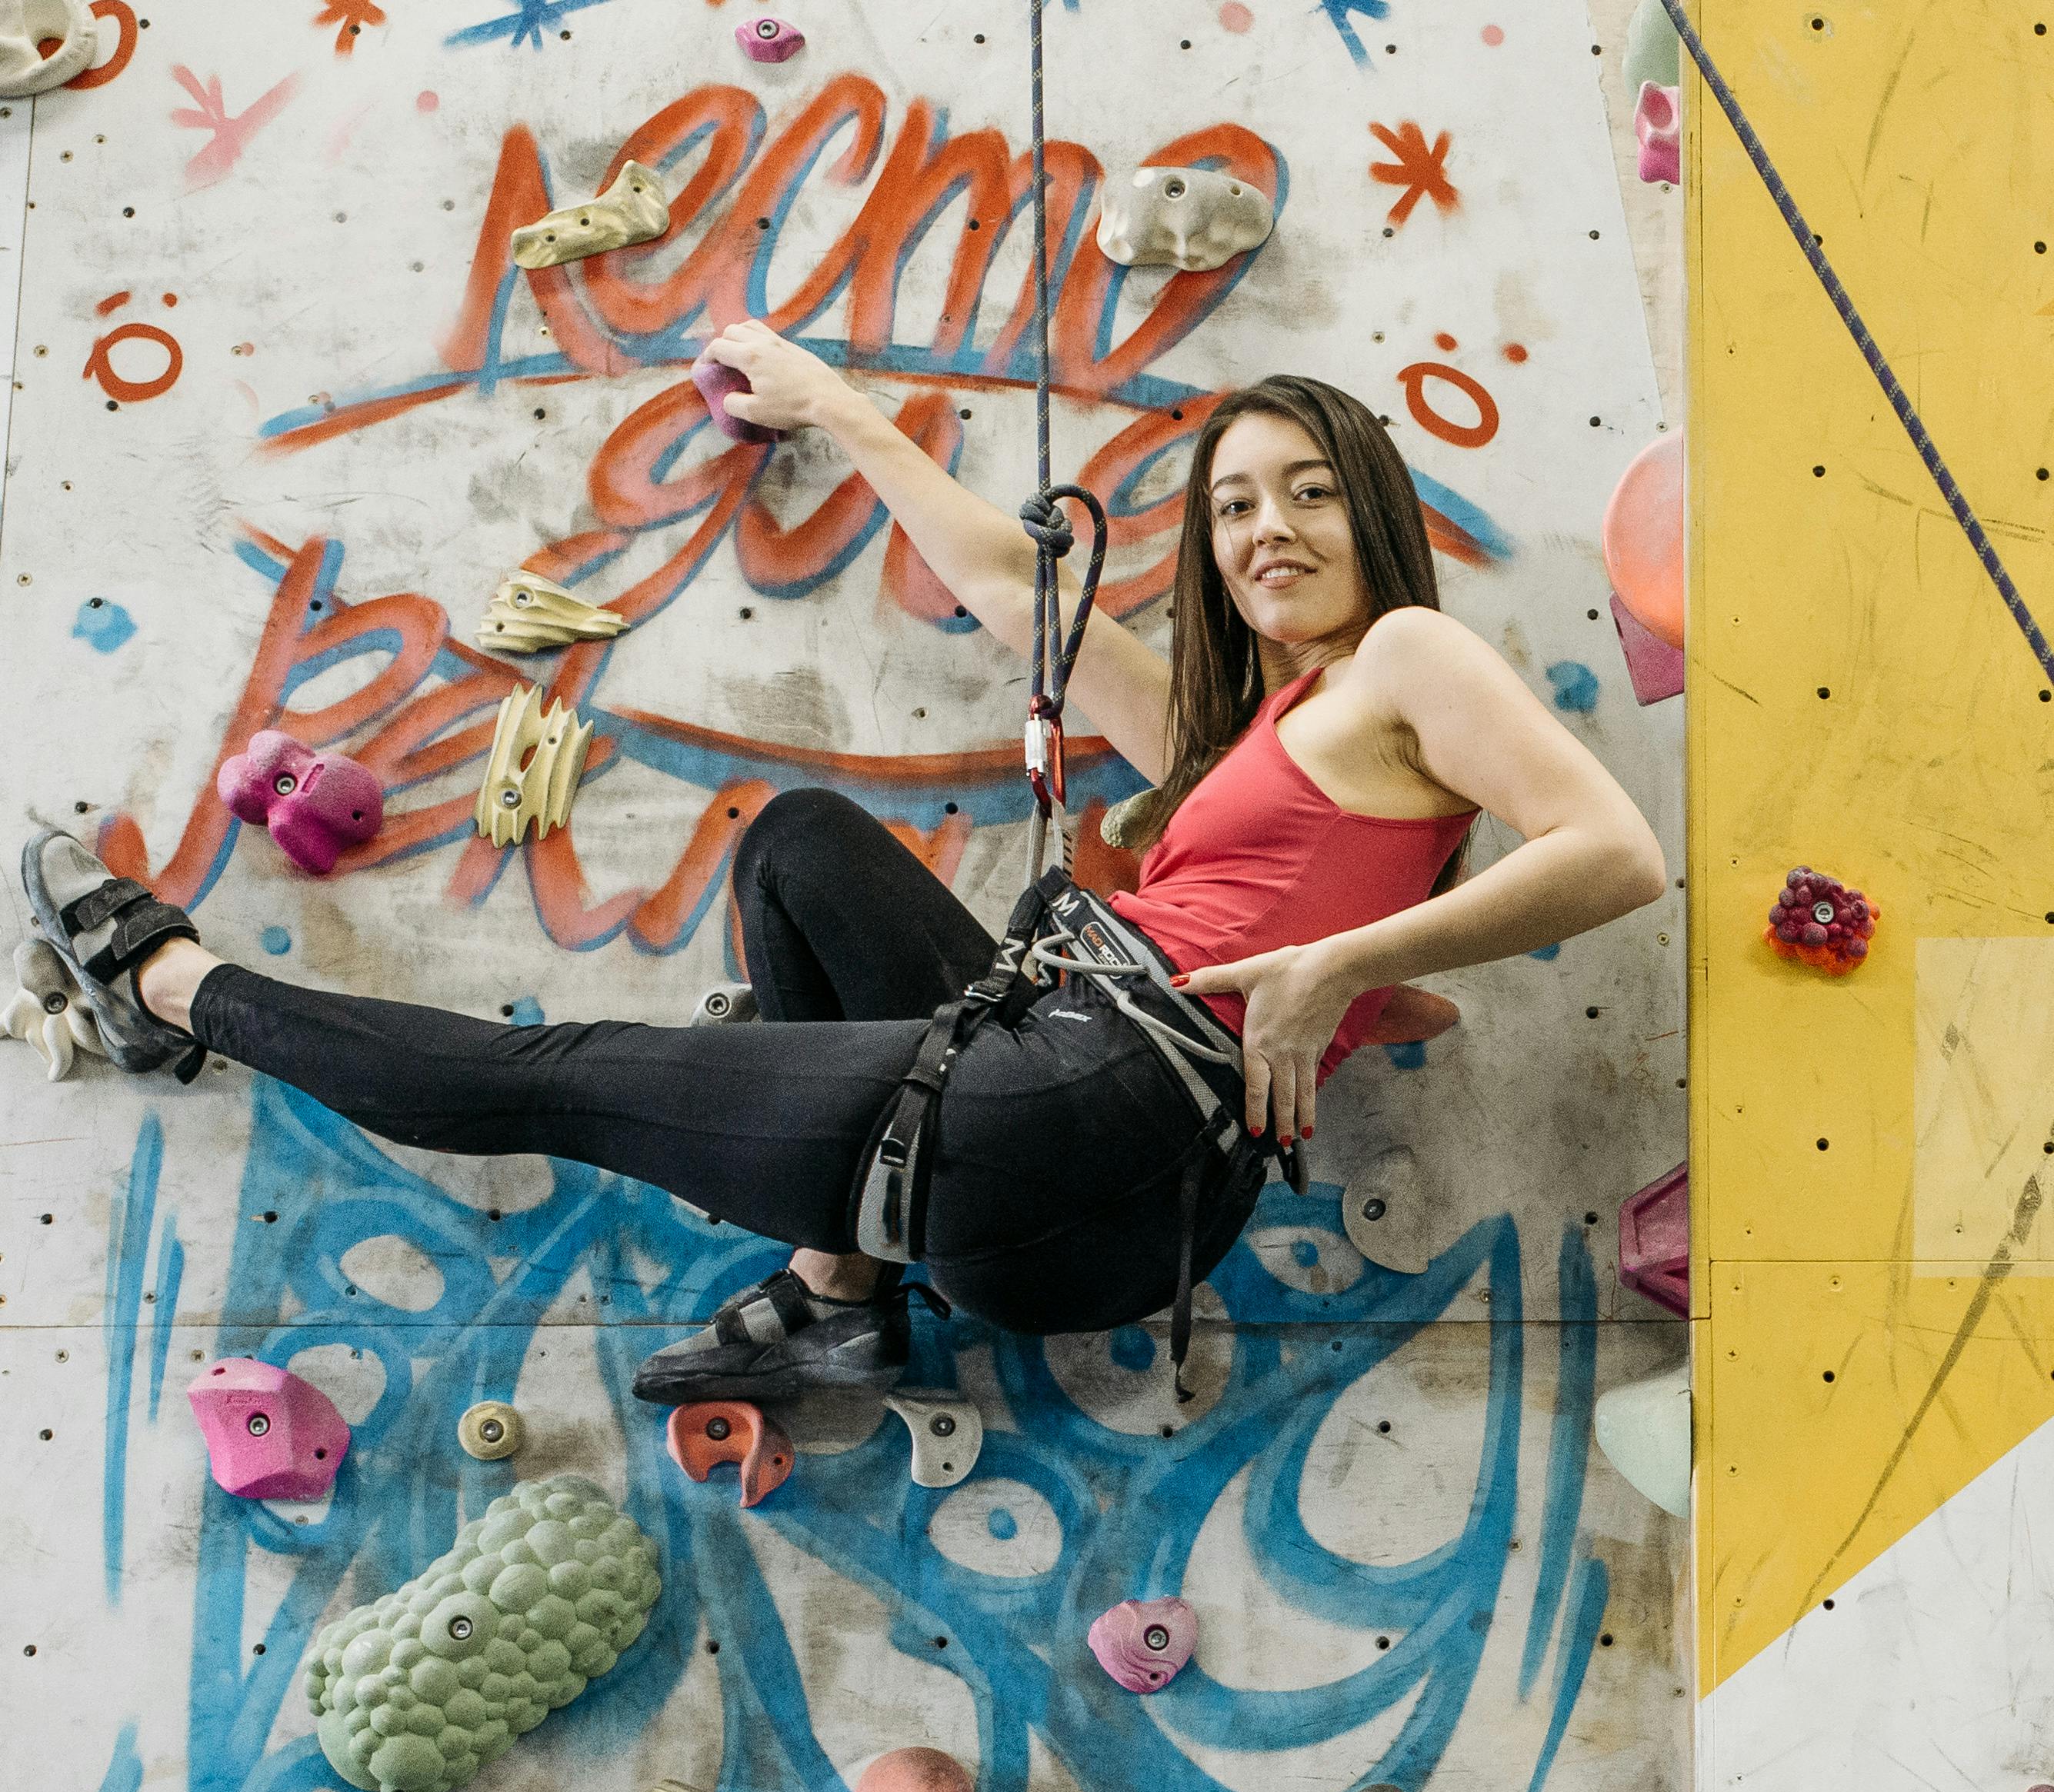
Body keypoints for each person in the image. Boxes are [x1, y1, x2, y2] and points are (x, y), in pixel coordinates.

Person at [22, 342, 1666, 1404]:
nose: (1266, 529)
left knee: (571, 1076)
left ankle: (162, 981)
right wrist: (838, 409)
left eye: (1309, 491)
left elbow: (1615, 852)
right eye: (1235, 506)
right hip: (1076, 1147)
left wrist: (1324, 970)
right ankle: (843, 1293)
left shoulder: (1410, 654)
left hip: (1104, 1109)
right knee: (805, 843)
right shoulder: (1245, 729)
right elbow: (1004, 582)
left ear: (1374, 508)